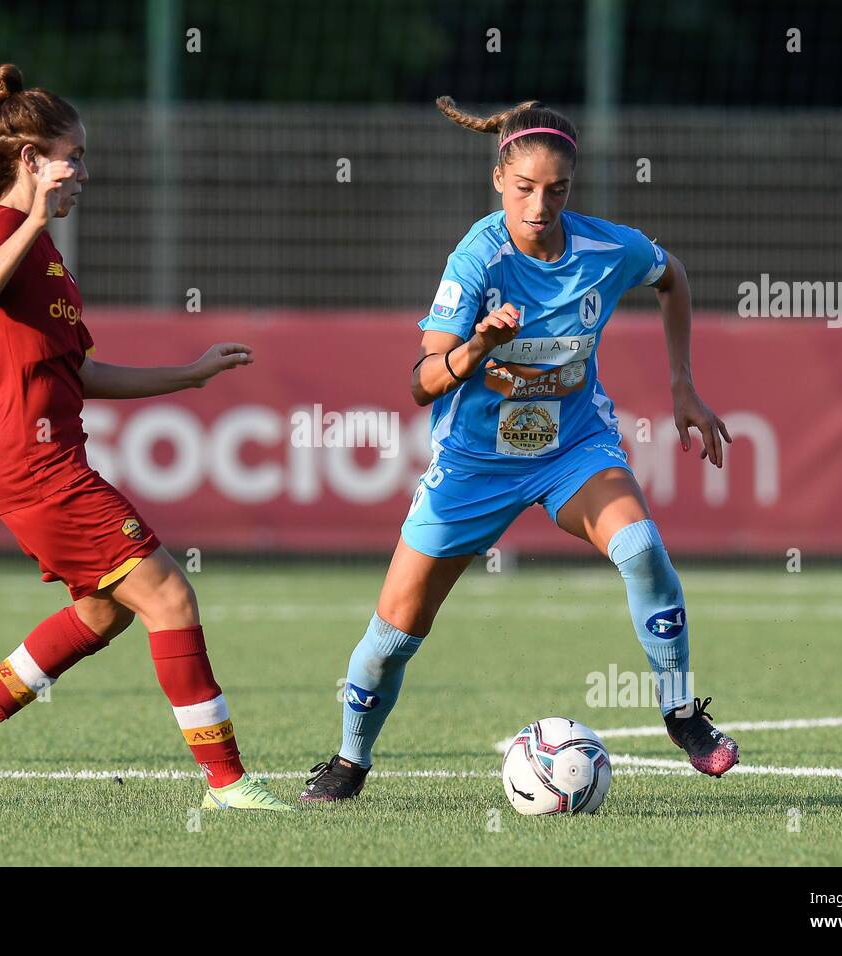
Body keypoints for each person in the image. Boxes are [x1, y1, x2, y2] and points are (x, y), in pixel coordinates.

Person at [301, 97, 740, 802]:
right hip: (474, 466)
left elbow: (671, 278)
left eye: (557, 190)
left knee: (643, 549)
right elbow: (421, 382)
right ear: (498, 179)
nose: (540, 205)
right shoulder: (478, 258)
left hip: (574, 448)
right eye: (525, 188)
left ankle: (683, 714)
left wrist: (683, 386)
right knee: (393, 636)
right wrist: (479, 345)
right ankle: (350, 762)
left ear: (572, 187)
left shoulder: (606, 250)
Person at [0, 64, 290, 812]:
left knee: (104, 610)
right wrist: (31, 220)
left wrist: (188, 376)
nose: (84, 171)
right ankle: (227, 783)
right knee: (170, 598)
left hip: (51, 455)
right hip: (30, 461)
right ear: (32, 161)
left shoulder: (45, 253)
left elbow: (79, 372)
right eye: (73, 156)